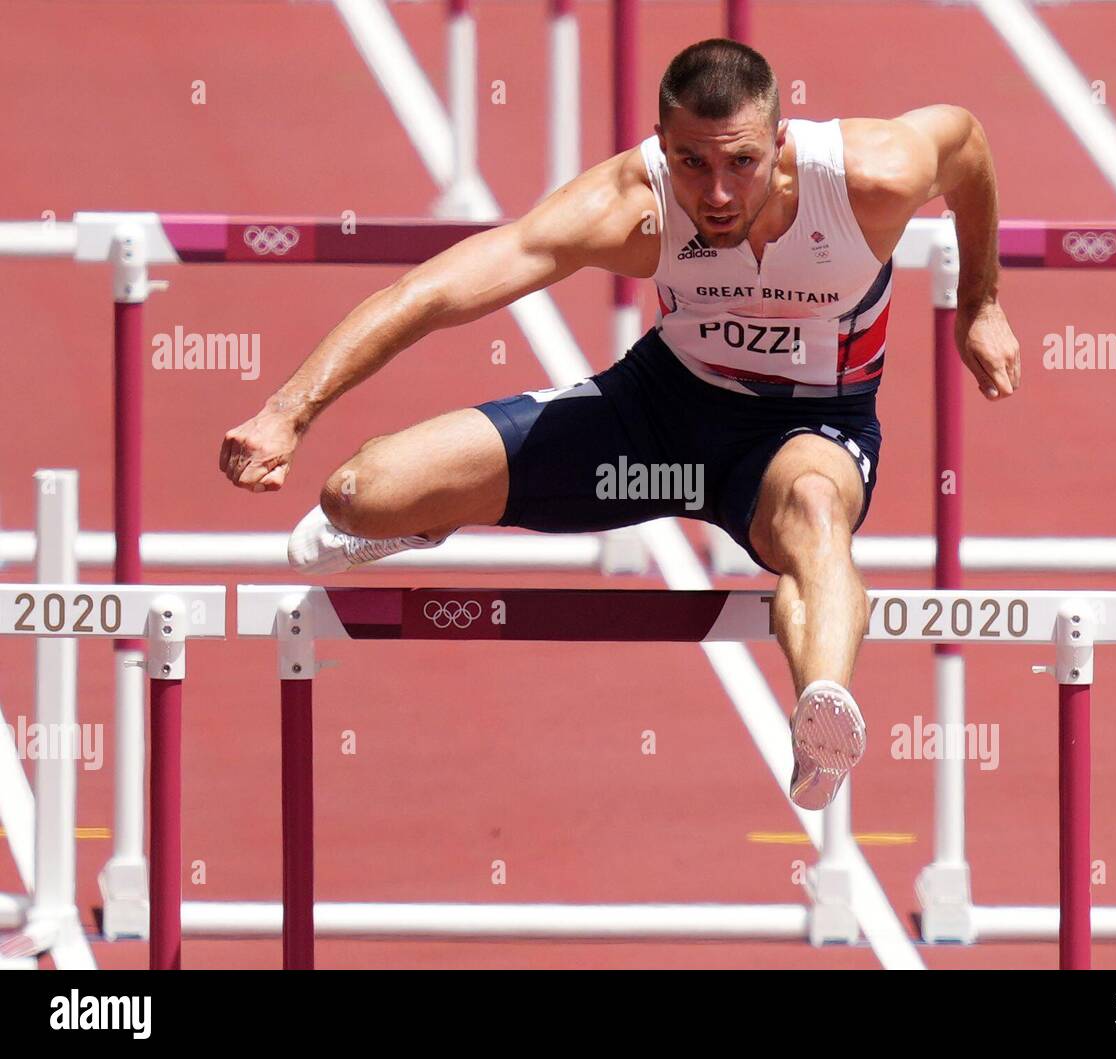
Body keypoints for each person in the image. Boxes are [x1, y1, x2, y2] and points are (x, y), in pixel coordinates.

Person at [219, 38, 1020, 810]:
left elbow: (970, 144)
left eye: (741, 162)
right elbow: (432, 294)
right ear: (662, 148)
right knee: (355, 494)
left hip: (809, 431)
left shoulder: (868, 177)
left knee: (814, 511)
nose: (715, 194)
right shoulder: (629, 205)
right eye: (692, 164)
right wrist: (288, 412)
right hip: (656, 421)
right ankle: (425, 518)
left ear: (779, 144)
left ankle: (821, 717)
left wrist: (980, 301)